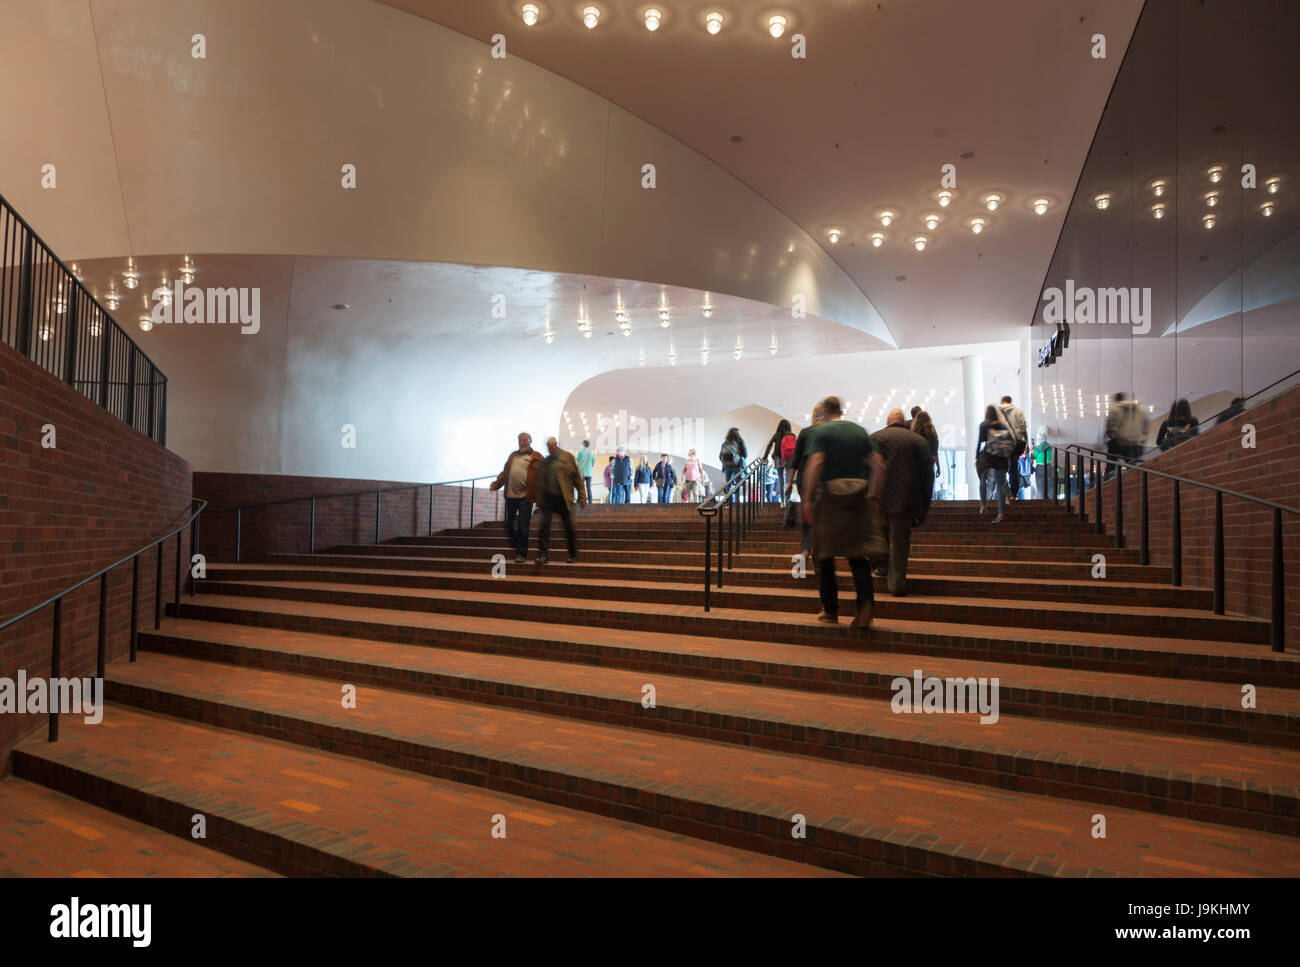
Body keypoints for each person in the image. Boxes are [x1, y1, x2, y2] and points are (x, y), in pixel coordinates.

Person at [801, 396, 885, 629]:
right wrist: (874, 496)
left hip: (830, 497)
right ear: (841, 410)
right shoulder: (859, 431)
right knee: (858, 554)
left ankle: (830, 610)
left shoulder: (821, 432)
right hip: (858, 496)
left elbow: (816, 464)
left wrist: (806, 499)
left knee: (824, 554)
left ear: (825, 412)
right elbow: (878, 465)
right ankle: (865, 607)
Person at [871, 409, 935, 596]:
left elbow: (864, 469)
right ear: (904, 422)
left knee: (878, 535)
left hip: (879, 496)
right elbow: (927, 475)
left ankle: (881, 567)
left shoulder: (874, 438)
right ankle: (897, 584)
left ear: (887, 421)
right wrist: (924, 502)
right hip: (906, 497)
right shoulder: (918, 441)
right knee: (900, 541)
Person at [489, 431, 542, 563]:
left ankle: (521, 554)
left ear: (530, 441)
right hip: (510, 496)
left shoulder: (537, 457)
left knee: (523, 526)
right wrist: (496, 484)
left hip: (526, 497)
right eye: (520, 440)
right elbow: (505, 472)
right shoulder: (513, 456)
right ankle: (518, 545)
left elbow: (544, 476)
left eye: (525, 440)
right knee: (508, 523)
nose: (522, 442)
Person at [535, 437, 586, 564]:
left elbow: (577, 478)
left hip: (563, 498)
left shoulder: (567, 457)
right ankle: (543, 555)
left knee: (568, 526)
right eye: (548, 447)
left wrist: (582, 497)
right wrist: (539, 499)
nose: (550, 449)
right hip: (548, 498)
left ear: (556, 445)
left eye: (552, 446)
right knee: (544, 526)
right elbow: (540, 481)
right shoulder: (546, 461)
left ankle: (573, 554)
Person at [788, 405, 825, 564]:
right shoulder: (828, 432)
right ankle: (818, 553)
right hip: (823, 478)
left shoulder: (805, 432)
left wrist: (789, 482)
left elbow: (795, 459)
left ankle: (805, 548)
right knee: (821, 516)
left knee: (807, 512)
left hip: (804, 478)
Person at [982, 407, 1013, 523]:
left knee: (991, 483)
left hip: (993, 460)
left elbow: (987, 445)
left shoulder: (988, 427)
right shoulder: (1004, 426)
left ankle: (988, 505)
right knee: (1001, 485)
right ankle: (1001, 512)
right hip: (1004, 459)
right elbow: (1011, 443)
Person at [1105, 392, 1148, 465]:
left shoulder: (1114, 409)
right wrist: (1142, 439)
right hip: (1136, 443)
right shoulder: (1141, 409)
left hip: (1120, 442)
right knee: (1131, 467)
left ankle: (1110, 474)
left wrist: (1116, 435)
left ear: (1116, 399)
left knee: (1111, 463)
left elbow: (1110, 425)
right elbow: (1146, 426)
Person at [762, 419, 797, 505]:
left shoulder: (776, 435)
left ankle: (782, 502)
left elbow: (769, 445)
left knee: (781, 481)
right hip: (789, 458)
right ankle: (788, 501)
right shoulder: (792, 435)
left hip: (778, 459)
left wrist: (765, 457)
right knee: (789, 481)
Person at [998, 396, 1027, 498]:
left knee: (1000, 469)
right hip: (1015, 444)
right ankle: (1014, 494)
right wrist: (1026, 442)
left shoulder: (997, 412)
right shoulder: (1018, 412)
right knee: (1013, 470)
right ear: (1011, 402)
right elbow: (1023, 428)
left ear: (1002, 402)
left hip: (1002, 444)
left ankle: (1002, 494)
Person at [975, 404, 997, 513]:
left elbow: (980, 442)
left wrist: (976, 457)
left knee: (983, 479)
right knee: (1000, 478)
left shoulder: (983, 425)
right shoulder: (999, 425)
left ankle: (983, 505)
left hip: (986, 454)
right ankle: (1007, 499)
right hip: (997, 454)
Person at [719, 428, 747, 493]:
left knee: (728, 484)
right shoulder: (740, 442)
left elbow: (720, 456)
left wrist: (726, 461)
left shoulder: (725, 443)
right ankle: (737, 502)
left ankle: (729, 501)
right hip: (737, 465)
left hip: (727, 465)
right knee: (738, 484)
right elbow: (745, 454)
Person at [575, 439, 595, 505]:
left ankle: (579, 500)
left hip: (581, 473)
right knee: (588, 487)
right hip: (589, 473)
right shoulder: (591, 453)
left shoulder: (580, 452)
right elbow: (593, 464)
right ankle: (590, 501)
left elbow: (577, 462)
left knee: (581, 487)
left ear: (583, 445)